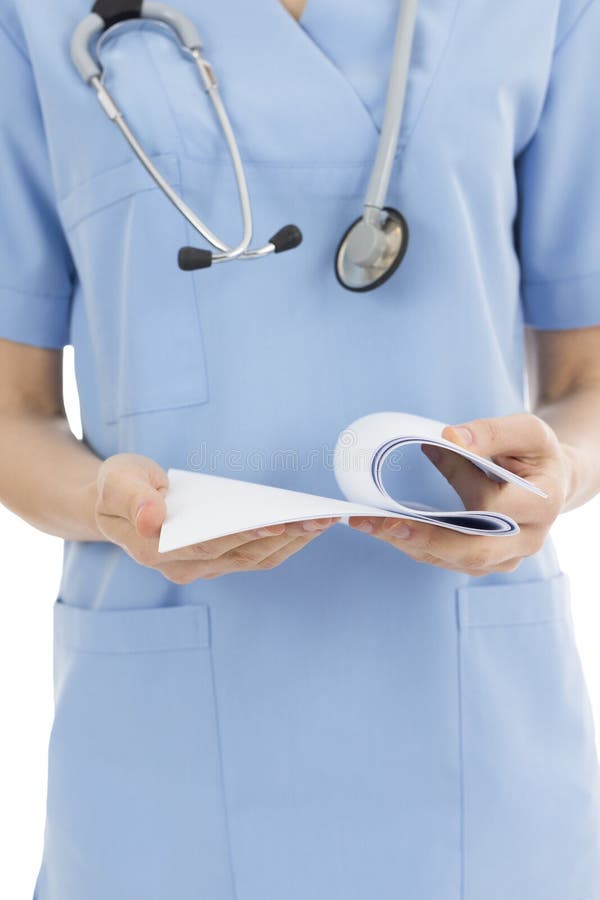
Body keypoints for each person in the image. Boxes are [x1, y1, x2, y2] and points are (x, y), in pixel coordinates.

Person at [1, 0, 600, 897]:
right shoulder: (37, 16)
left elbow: (587, 378)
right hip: (166, 757)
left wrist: (560, 475)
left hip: (471, 725)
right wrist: (103, 505)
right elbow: (13, 410)